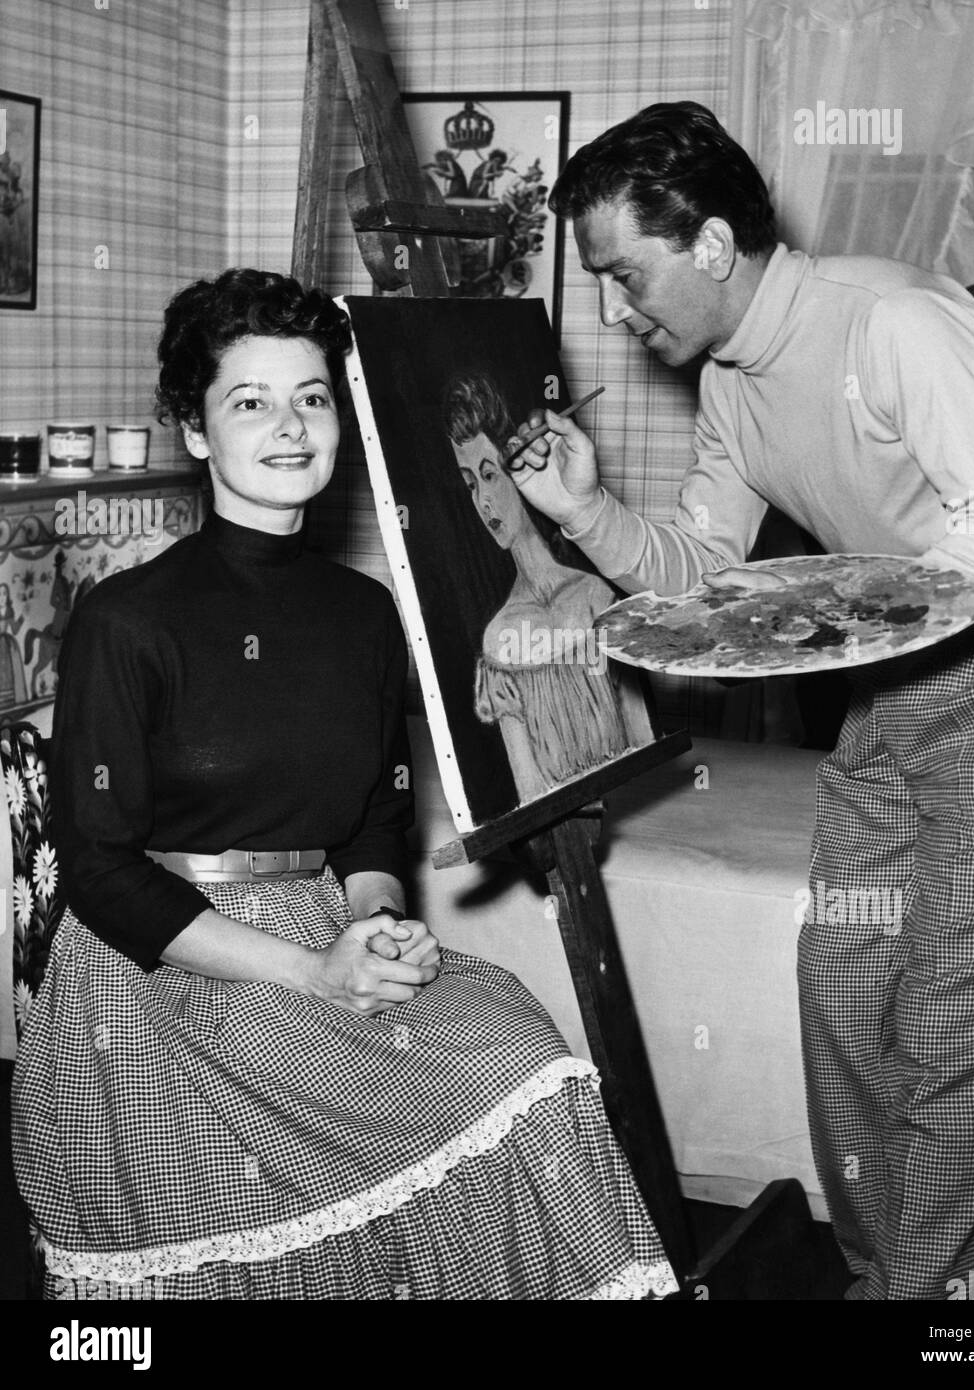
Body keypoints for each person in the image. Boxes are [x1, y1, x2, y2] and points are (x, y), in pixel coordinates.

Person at [509, 101, 974, 1301]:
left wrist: (850, 604)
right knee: (840, 977)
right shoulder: (733, 372)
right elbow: (699, 567)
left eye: (627, 276)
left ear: (715, 245)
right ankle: (892, 1276)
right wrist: (583, 514)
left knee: (952, 1027)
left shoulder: (894, 323)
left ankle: (926, 1303)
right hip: (898, 664)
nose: (617, 312)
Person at [10, 267, 677, 1302]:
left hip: (321, 927)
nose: (289, 426)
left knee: (523, 1062)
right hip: (163, 971)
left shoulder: (364, 611)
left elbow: (375, 812)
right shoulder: (128, 619)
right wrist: (313, 970)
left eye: (312, 398)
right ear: (194, 430)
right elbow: (96, 866)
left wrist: (373, 916)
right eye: (250, 402)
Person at [443, 372, 652, 802]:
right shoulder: (500, 639)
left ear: (520, 467)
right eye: (470, 484)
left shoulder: (596, 595)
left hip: (639, 809)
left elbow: (647, 750)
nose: (483, 500)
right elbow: (531, 798)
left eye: (490, 474)